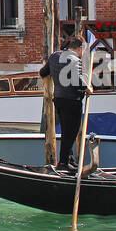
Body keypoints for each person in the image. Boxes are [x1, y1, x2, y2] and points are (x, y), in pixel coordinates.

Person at [38, 36, 87, 172]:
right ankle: (63, 163)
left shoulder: (55, 56)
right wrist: (88, 87)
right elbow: (78, 81)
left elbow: (43, 72)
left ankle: (69, 159)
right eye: (83, 51)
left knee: (67, 131)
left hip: (58, 99)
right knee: (70, 132)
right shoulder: (75, 60)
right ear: (79, 49)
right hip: (72, 100)